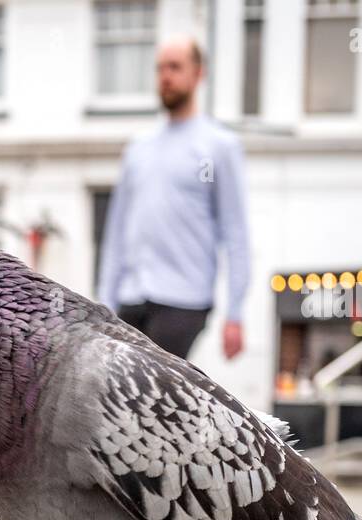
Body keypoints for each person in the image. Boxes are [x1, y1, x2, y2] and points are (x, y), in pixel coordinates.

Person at [96, 35, 250, 361]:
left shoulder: (219, 146)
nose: (165, 76)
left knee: (152, 399)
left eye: (175, 67)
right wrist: (104, 303)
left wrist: (234, 313)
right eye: (160, 68)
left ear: (198, 74)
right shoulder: (138, 148)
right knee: (117, 401)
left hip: (184, 299)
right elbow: (117, 233)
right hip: (132, 296)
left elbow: (235, 232)